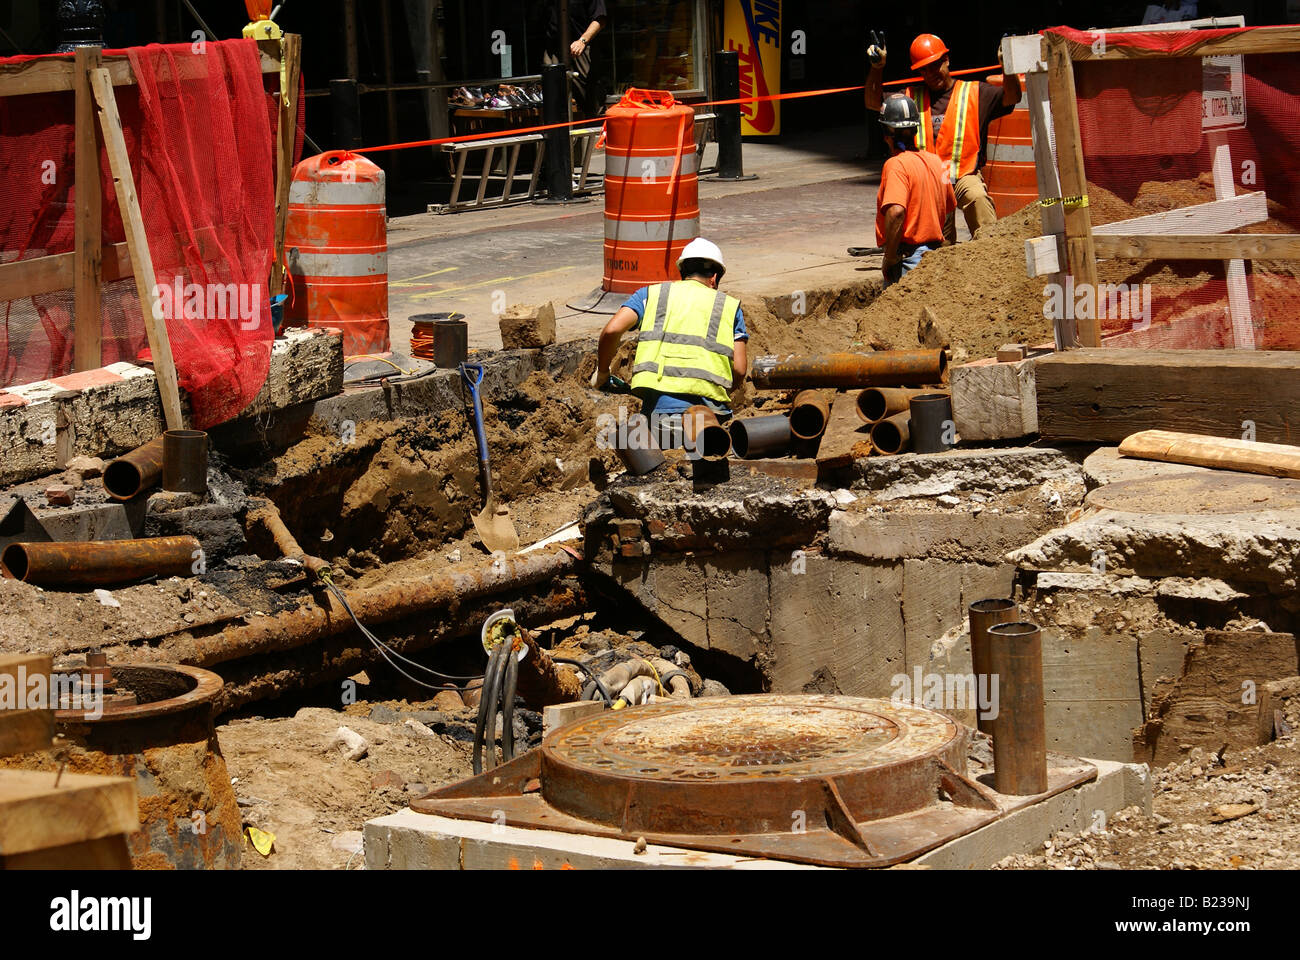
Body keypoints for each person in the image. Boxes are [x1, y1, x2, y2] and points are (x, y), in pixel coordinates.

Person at [592, 238, 748, 450]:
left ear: (682, 272)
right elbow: (739, 369)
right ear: (714, 278)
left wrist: (602, 373)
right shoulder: (730, 307)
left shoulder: (651, 295)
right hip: (710, 421)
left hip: (659, 418)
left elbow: (611, 330)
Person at [866, 32, 1020, 243]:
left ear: (946, 60)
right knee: (939, 245)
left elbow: (1013, 97)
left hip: (964, 174)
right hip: (930, 180)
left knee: (977, 198)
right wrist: (877, 69)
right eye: (924, 69)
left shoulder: (974, 93)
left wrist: (1008, 66)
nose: (930, 73)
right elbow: (873, 103)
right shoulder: (911, 97)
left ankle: (991, 249)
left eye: (935, 65)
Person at [875, 94, 955, 286]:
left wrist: (891, 257)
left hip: (909, 259)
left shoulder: (895, 165)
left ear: (887, 133)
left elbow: (896, 213)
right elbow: (950, 210)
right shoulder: (939, 162)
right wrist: (947, 254)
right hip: (935, 257)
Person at [544, 0, 609, 120]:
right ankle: (557, 135)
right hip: (554, 46)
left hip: (580, 46)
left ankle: (594, 132)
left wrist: (582, 41)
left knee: (589, 94)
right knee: (552, 91)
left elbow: (600, 19)